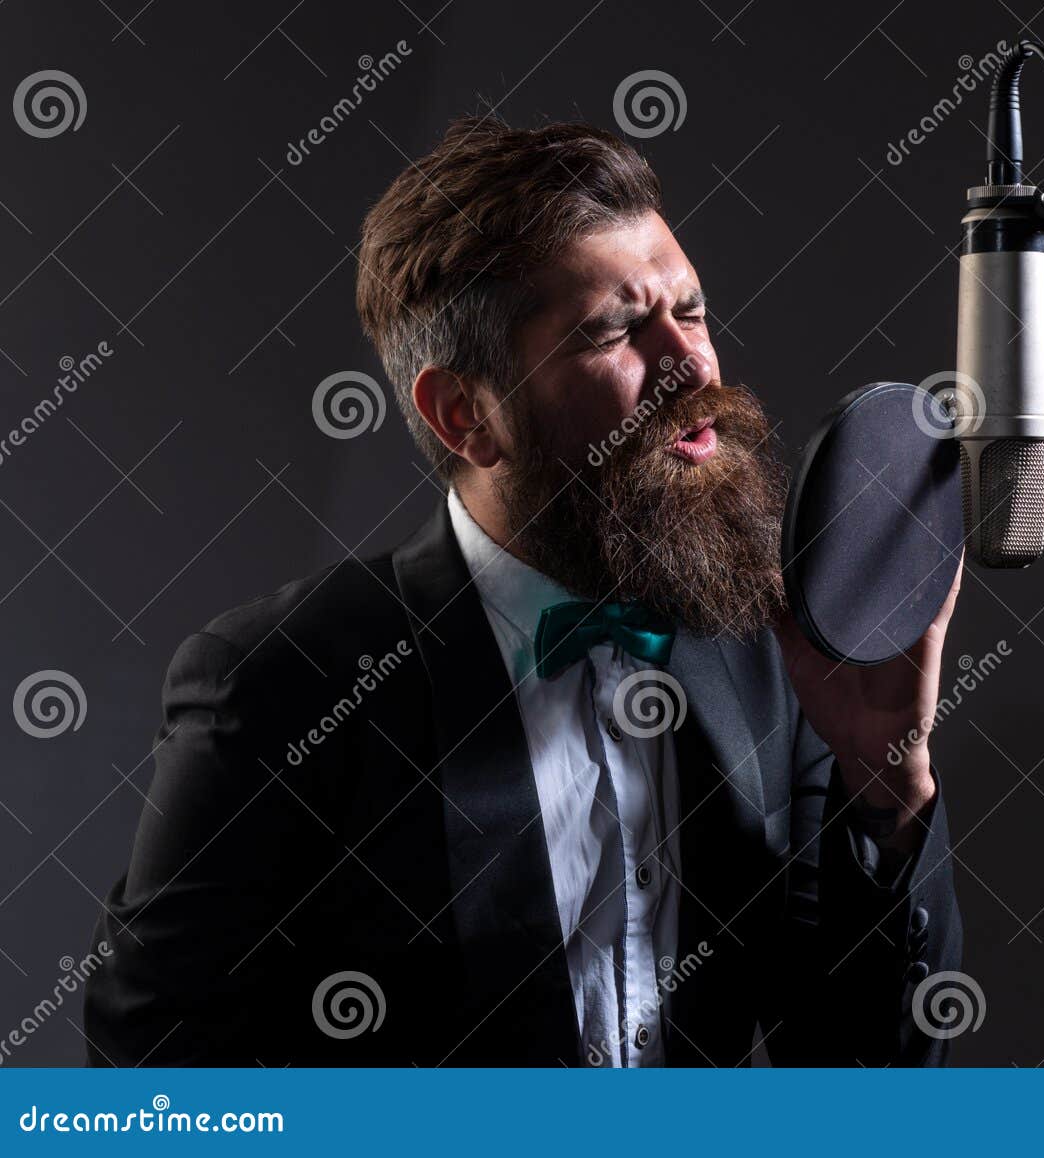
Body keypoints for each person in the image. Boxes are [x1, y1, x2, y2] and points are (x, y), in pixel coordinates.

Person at [84, 116, 961, 1066]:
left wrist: (889, 788)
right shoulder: (280, 686)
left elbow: (866, 1078)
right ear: (465, 414)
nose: (691, 364)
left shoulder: (764, 650)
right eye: (617, 329)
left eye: (692, 311)